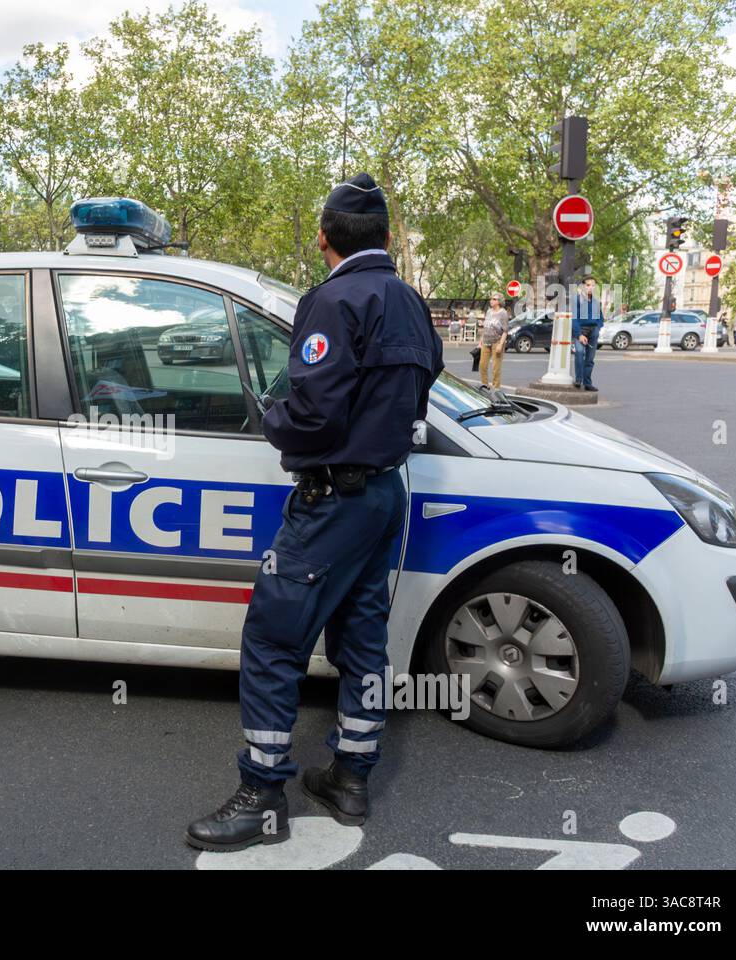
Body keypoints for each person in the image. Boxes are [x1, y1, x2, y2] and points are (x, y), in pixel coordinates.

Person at [185, 172, 443, 852]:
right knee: (362, 639)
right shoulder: (411, 302)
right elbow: (424, 384)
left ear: (324, 238)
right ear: (385, 236)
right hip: (386, 492)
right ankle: (350, 778)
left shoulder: (333, 300)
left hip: (332, 501)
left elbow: (314, 413)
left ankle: (261, 795)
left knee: (273, 640)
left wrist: (275, 420)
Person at [571, 276, 603, 392]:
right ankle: (578, 379)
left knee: (590, 358)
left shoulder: (596, 301)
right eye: (588, 285)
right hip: (580, 330)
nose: (591, 287)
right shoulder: (576, 300)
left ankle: (587, 383)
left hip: (593, 331)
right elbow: (574, 319)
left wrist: (598, 328)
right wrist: (579, 334)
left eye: (593, 285)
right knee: (579, 353)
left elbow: (600, 317)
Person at [477, 292, 509, 389]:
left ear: (499, 301)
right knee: (482, 365)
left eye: (494, 299)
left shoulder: (503, 313)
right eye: (491, 299)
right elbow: (486, 327)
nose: (491, 301)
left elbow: (505, 331)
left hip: (497, 342)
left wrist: (500, 344)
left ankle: (496, 388)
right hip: (486, 341)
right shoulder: (489, 312)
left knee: (496, 368)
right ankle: (485, 385)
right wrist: (480, 341)